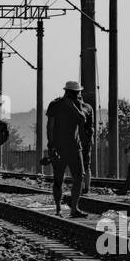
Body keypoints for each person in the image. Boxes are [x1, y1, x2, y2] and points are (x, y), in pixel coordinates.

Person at [45, 80, 94, 216]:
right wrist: (51, 145)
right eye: (77, 92)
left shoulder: (77, 105)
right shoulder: (55, 104)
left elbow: (82, 120)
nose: (78, 95)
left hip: (74, 147)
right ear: (71, 93)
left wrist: (73, 105)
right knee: (58, 179)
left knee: (79, 176)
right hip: (60, 148)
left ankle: (74, 209)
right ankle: (58, 208)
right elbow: (50, 126)